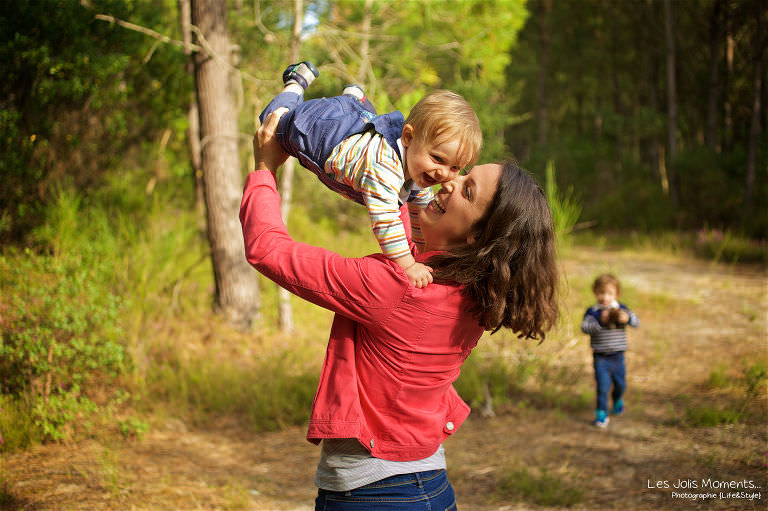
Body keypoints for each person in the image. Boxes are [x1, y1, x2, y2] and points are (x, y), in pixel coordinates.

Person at [241, 110, 559, 510]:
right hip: (426, 487)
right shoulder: (472, 291)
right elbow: (399, 218)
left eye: (466, 190)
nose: (448, 180)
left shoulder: (398, 287)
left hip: (373, 497)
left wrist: (264, 168)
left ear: (478, 235)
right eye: (461, 172)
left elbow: (268, 250)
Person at [258, 62, 483, 288]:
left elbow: (421, 212)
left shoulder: (421, 169)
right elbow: (385, 221)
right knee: (274, 124)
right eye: (438, 159)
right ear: (408, 137)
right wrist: (408, 265)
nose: (443, 173)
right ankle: (296, 82)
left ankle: (353, 99)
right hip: (322, 136)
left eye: (454, 168)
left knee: (364, 118)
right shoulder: (384, 168)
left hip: (358, 126)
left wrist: (422, 252)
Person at [581, 274, 639, 428]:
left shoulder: (621, 308)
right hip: (601, 358)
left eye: (609, 293)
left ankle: (617, 399)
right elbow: (585, 328)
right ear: (595, 292)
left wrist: (627, 318)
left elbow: (636, 322)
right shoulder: (593, 312)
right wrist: (601, 321)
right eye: (601, 293)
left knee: (621, 385)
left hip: (618, 357)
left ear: (616, 294)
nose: (605, 297)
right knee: (603, 386)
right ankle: (601, 414)